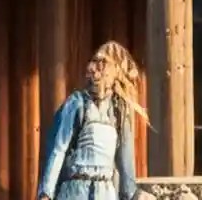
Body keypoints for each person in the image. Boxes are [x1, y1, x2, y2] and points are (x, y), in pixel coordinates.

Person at [37, 41, 148, 200]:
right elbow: (58, 149)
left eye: (104, 63)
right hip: (76, 189)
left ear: (115, 70)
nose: (97, 67)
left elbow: (125, 164)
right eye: (96, 61)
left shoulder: (120, 112)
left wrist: (133, 194)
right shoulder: (77, 103)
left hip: (105, 191)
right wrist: (46, 193)